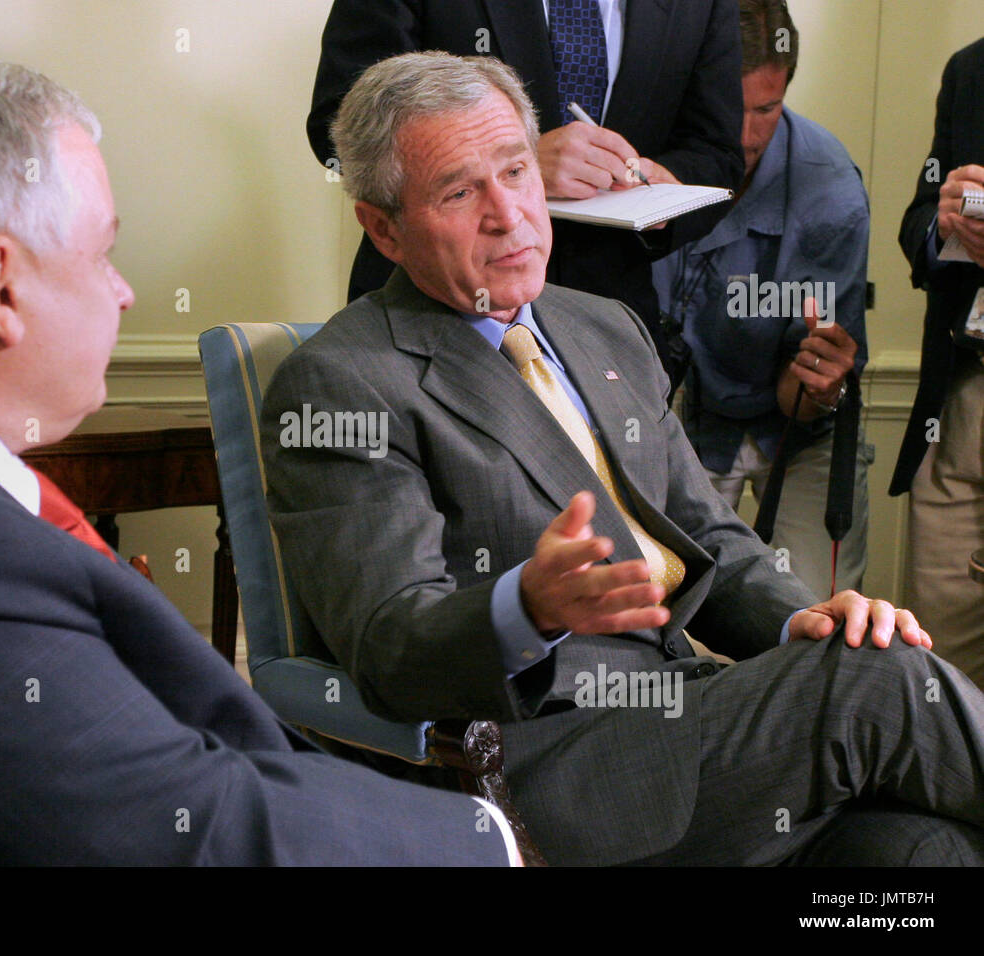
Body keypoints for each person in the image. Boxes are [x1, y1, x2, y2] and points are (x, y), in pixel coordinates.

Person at [0, 48, 518, 866]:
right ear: (0, 287)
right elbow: (191, 832)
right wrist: (489, 845)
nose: (121, 292)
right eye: (103, 253)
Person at [263, 51, 984, 865]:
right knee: (876, 683)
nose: (510, 214)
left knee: (925, 850)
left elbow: (712, 537)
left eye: (515, 172)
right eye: (460, 193)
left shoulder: (601, 326)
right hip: (551, 764)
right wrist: (525, 607)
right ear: (383, 227)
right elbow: (391, 646)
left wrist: (801, 619)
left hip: (691, 721)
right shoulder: (340, 383)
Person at [307, 0, 745, 390]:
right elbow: (342, 129)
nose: (511, 217)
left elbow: (717, 152)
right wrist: (518, 162)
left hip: (610, 317)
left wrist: (657, 185)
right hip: (432, 319)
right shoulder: (345, 383)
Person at [652, 0, 871, 600]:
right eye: (733, 107)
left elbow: (809, 389)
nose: (746, 136)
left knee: (817, 623)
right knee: (666, 624)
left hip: (797, 434)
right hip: (678, 417)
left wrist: (818, 381)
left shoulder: (831, 190)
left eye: (768, 109)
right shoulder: (651, 161)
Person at [889, 37, 984, 688]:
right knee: (941, 682)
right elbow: (917, 221)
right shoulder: (970, 69)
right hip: (958, 406)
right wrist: (945, 220)